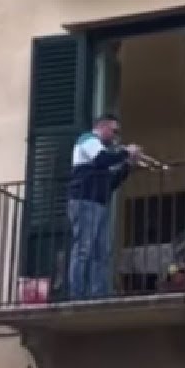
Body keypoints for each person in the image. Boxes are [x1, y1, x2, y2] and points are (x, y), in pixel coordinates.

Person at [66, 114, 142, 300]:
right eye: (114, 131)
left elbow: (111, 183)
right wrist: (126, 153)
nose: (116, 137)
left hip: (99, 204)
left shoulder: (103, 152)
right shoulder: (88, 139)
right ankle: (77, 294)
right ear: (102, 126)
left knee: (102, 252)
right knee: (84, 249)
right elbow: (102, 160)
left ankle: (98, 293)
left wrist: (128, 167)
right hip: (84, 201)